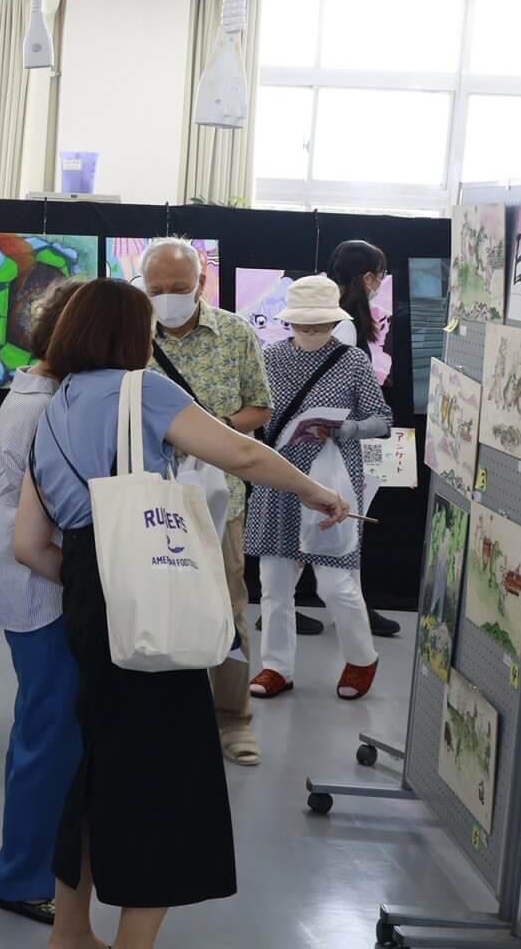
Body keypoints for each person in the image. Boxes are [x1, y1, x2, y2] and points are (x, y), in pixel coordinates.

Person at [12, 278, 347, 949]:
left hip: (85, 591)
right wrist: (316, 492)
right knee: (172, 770)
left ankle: (70, 932)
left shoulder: (53, 405)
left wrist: (93, 579)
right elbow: (243, 452)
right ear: (131, 335)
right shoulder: (145, 390)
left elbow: (27, 544)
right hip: (151, 597)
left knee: (98, 761)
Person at [138, 237, 272, 767]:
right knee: (147, 605)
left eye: (178, 288)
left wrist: (210, 432)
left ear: (201, 283)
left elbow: (259, 407)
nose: (167, 298)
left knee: (227, 607)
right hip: (148, 495)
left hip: (220, 498)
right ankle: (157, 717)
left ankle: (233, 719)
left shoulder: (235, 333)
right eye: (156, 290)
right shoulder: (130, 334)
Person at [0, 280, 85, 925]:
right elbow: (37, 531)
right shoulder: (45, 406)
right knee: (48, 738)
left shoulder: (39, 393)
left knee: (45, 731)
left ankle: (33, 862)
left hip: (34, 585)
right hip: (42, 590)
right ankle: (22, 877)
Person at [246, 275, 392, 702]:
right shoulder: (269, 357)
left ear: (333, 321)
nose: (309, 331)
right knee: (273, 584)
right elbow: (256, 413)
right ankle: (277, 666)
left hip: (330, 480)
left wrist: (345, 429)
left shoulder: (351, 361)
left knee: (335, 584)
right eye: (302, 324)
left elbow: (381, 419)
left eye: (318, 324)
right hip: (277, 478)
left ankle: (361, 656)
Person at [324, 239, 401, 639]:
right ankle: (352, 609)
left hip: (337, 437)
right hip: (338, 441)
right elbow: (337, 390)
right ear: (368, 277)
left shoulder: (339, 317)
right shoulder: (345, 324)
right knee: (342, 522)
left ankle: (350, 605)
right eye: (380, 275)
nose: (381, 283)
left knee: (334, 522)